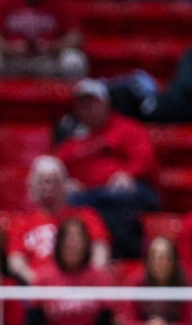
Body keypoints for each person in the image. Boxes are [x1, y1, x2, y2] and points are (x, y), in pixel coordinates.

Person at [56, 78, 160, 259]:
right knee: (70, 201)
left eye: (92, 103)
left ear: (106, 103)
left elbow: (146, 159)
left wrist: (128, 174)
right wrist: (66, 182)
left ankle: (124, 256)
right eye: (83, 104)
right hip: (89, 196)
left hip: (126, 191)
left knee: (118, 199)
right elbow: (57, 166)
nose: (88, 108)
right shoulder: (73, 142)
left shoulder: (127, 129)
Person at [27, 217, 117, 325]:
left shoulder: (100, 277)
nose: (73, 245)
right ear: (59, 244)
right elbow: (35, 324)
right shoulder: (43, 277)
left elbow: (106, 323)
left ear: (86, 244)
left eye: (78, 240)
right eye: (68, 239)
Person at [3, 157, 112, 270]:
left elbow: (100, 250)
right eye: (42, 181)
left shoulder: (87, 216)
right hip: (37, 283)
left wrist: (90, 280)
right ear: (32, 187)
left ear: (64, 184)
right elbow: (16, 261)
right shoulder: (20, 223)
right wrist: (37, 282)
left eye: (53, 180)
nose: (48, 185)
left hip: (78, 283)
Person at [120, 233, 192, 325]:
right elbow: (127, 321)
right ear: (148, 261)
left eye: (165, 257)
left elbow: (190, 323)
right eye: (155, 257)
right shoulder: (135, 281)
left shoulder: (185, 282)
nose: (160, 262)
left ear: (174, 261)